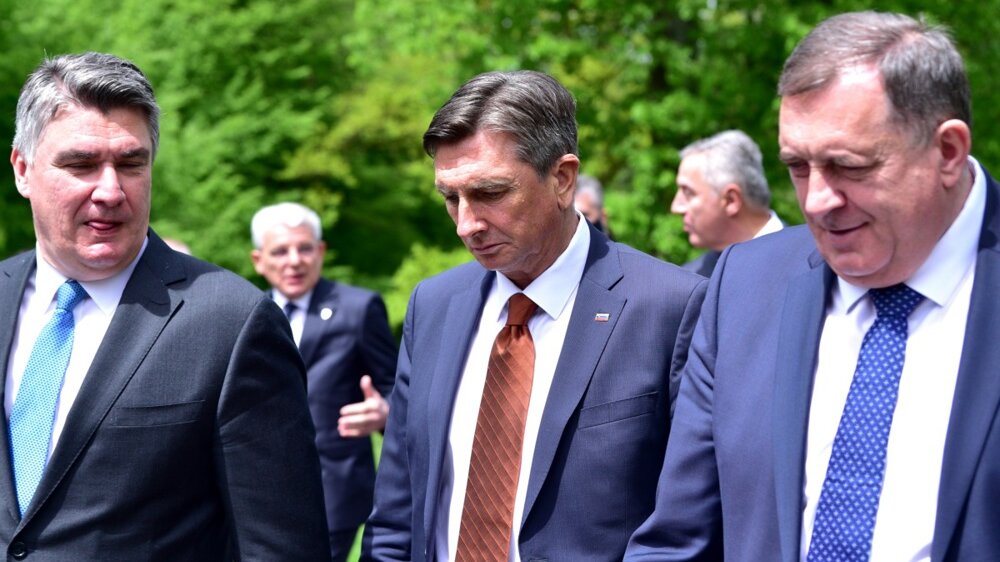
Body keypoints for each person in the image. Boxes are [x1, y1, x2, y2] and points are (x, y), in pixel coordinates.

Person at [626, 11, 999, 562]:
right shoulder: (744, 287)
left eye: (848, 166)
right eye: (798, 166)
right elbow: (679, 540)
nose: (818, 200)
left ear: (947, 151)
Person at [363, 70, 706, 562]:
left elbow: (685, 528)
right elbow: (397, 517)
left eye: (490, 193)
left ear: (562, 179)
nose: (466, 225)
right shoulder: (434, 306)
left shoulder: (670, 307)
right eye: (450, 198)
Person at [1, 52, 330, 560]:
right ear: (23, 170)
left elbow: (281, 546)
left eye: (131, 164)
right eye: (81, 164)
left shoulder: (231, 323)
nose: (110, 191)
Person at [250, 201, 397, 562]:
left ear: (321, 251)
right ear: (258, 260)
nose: (294, 261)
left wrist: (385, 412)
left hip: (335, 488)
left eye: (304, 248)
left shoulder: (358, 309)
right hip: (261, 488)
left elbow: (396, 389)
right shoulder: (247, 314)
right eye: (280, 251)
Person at [671, 130, 782, 277]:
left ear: (731, 200)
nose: (675, 207)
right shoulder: (689, 280)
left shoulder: (810, 258)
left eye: (688, 192)